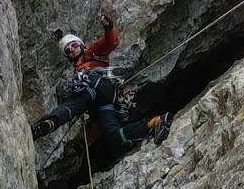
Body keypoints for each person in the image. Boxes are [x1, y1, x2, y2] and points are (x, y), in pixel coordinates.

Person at [30, 13, 173, 149]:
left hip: (97, 85)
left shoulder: (91, 53)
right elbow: (93, 120)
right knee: (115, 136)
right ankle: (156, 123)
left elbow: (109, 42)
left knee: (74, 103)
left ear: (80, 44)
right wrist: (82, 142)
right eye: (68, 51)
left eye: (73, 46)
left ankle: (50, 123)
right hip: (103, 102)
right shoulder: (77, 70)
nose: (72, 51)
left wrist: (109, 28)